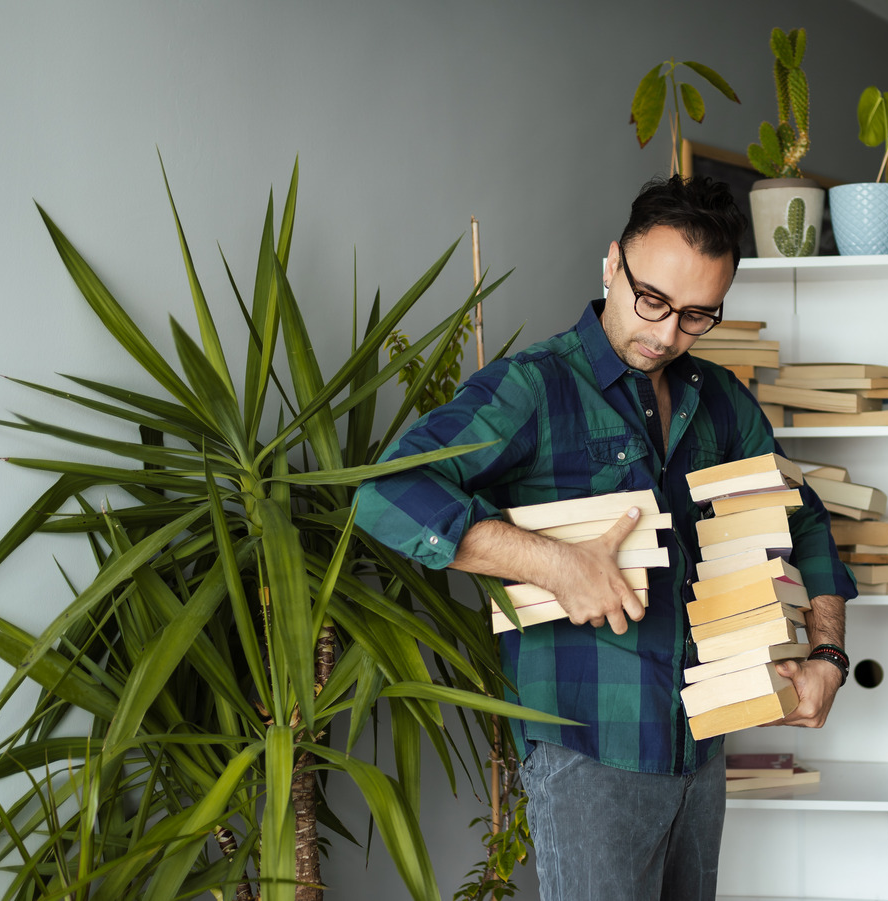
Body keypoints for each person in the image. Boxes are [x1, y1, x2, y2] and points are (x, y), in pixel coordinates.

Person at [353, 174, 856, 901]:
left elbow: (801, 518)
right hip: (588, 753)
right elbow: (385, 492)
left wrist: (828, 653)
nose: (666, 333)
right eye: (651, 299)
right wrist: (551, 563)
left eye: (696, 315)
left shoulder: (721, 400)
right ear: (612, 265)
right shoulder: (534, 387)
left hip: (703, 748)